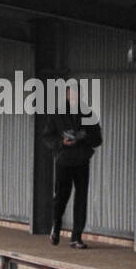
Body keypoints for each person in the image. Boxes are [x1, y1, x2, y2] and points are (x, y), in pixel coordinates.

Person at [41, 84, 103, 249]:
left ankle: (76, 237)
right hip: (64, 160)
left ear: (81, 95)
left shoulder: (89, 114)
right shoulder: (57, 114)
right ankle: (56, 228)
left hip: (82, 161)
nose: (74, 96)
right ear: (66, 95)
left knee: (81, 199)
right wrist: (61, 143)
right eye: (71, 93)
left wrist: (83, 137)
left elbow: (98, 139)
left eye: (77, 93)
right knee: (61, 197)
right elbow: (47, 137)